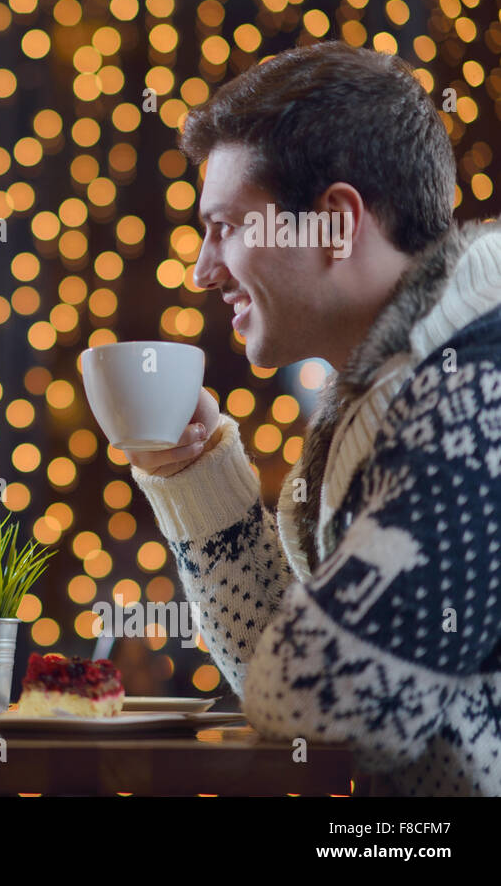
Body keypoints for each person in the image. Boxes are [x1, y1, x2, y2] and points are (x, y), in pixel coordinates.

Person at [123, 42, 501, 795]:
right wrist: (200, 481)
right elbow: (290, 668)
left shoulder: (476, 395)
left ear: (332, 222)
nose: (202, 269)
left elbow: (325, 701)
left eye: (225, 226)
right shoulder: (401, 387)